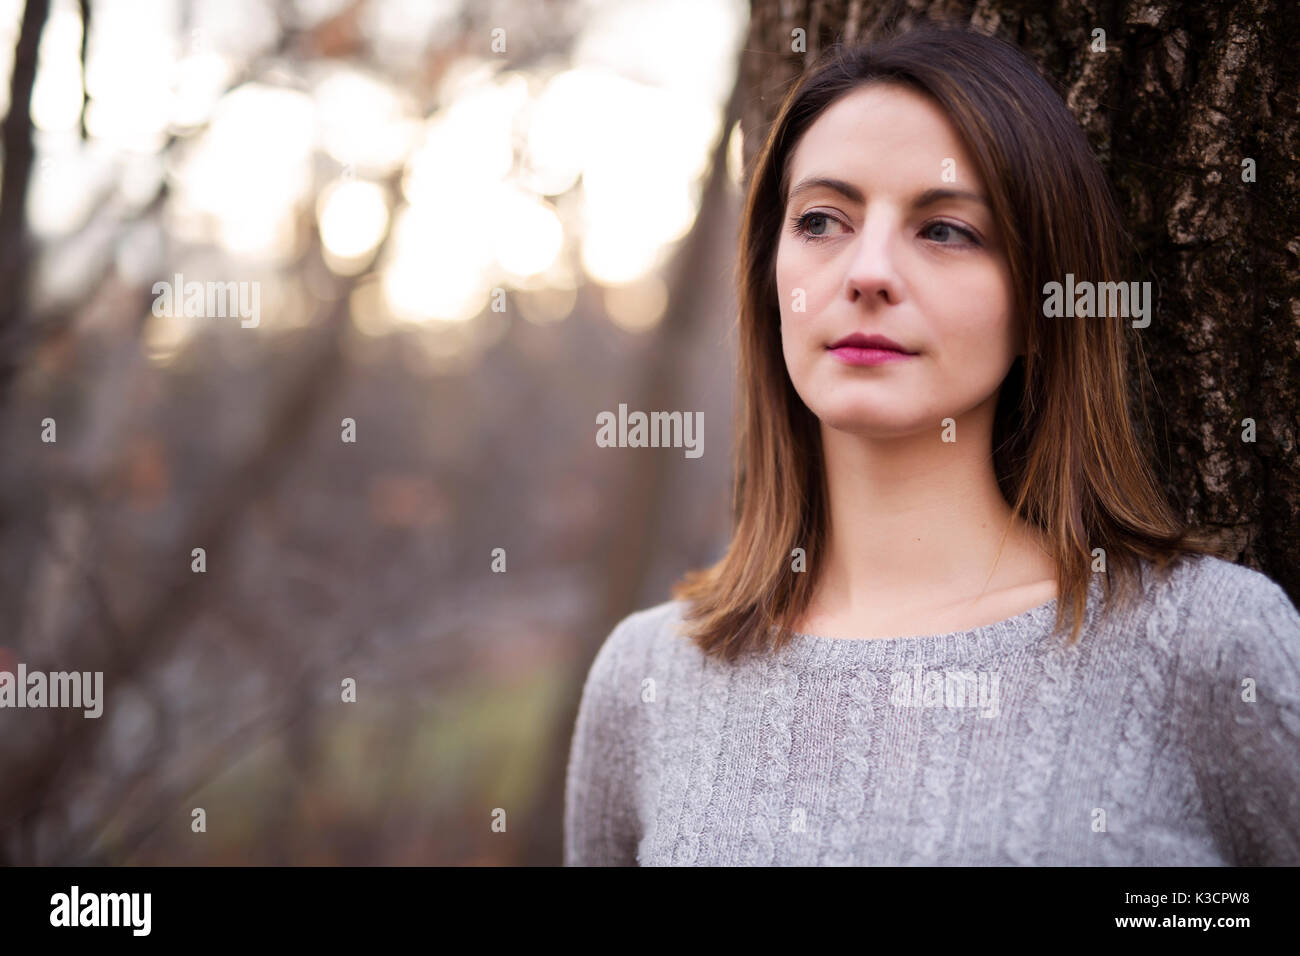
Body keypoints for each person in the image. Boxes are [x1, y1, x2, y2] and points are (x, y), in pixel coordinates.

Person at [563, 23, 1300, 866]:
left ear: (1040, 304)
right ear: (773, 279)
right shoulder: (649, 677)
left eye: (945, 229)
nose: (867, 271)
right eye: (821, 220)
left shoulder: (1212, 647)